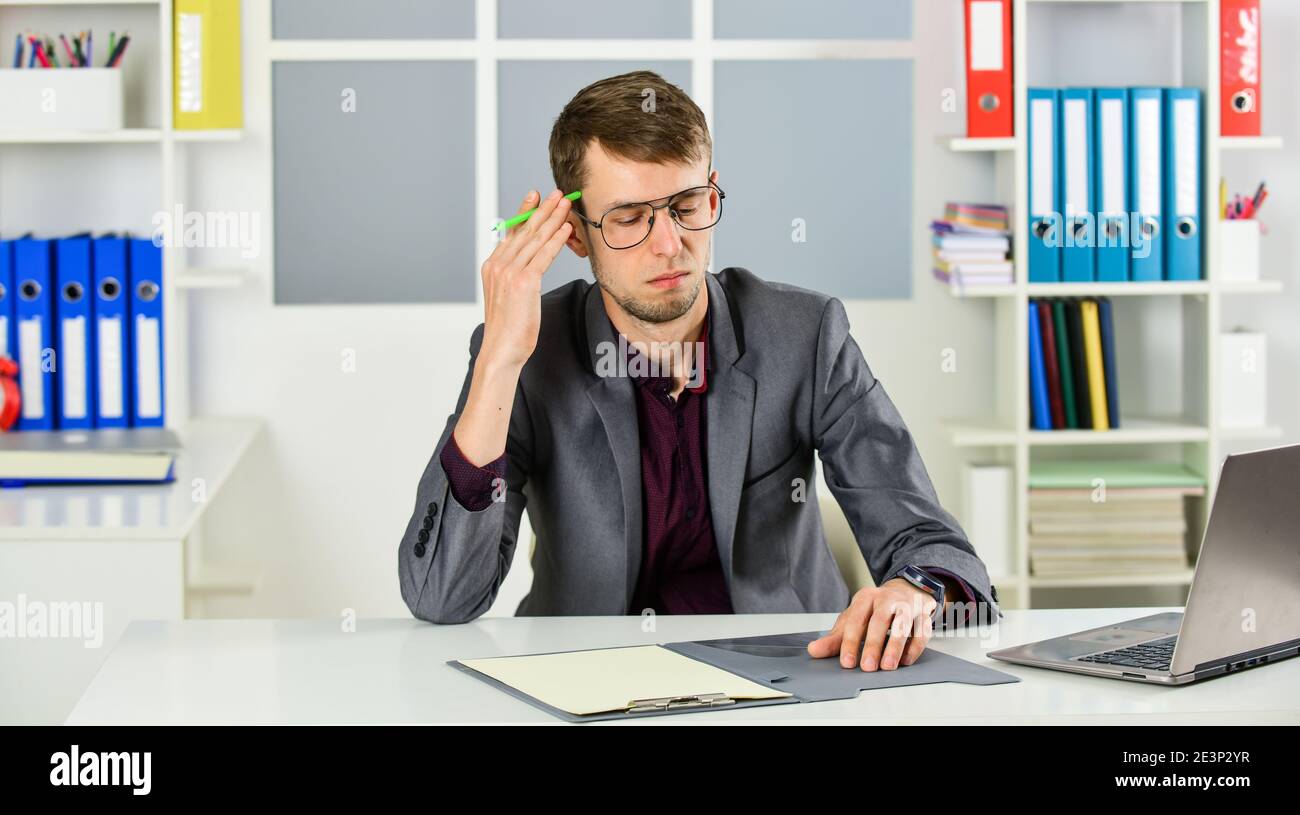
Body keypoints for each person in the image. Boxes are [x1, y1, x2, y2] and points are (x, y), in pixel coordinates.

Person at [399, 70, 999, 673]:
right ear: (575, 234)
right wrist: (498, 362)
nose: (669, 244)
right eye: (629, 218)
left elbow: (935, 546)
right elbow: (442, 598)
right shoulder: (529, 354)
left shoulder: (805, 334)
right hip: (583, 673)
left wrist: (914, 592)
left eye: (686, 207)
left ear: (712, 194)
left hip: (791, 673)